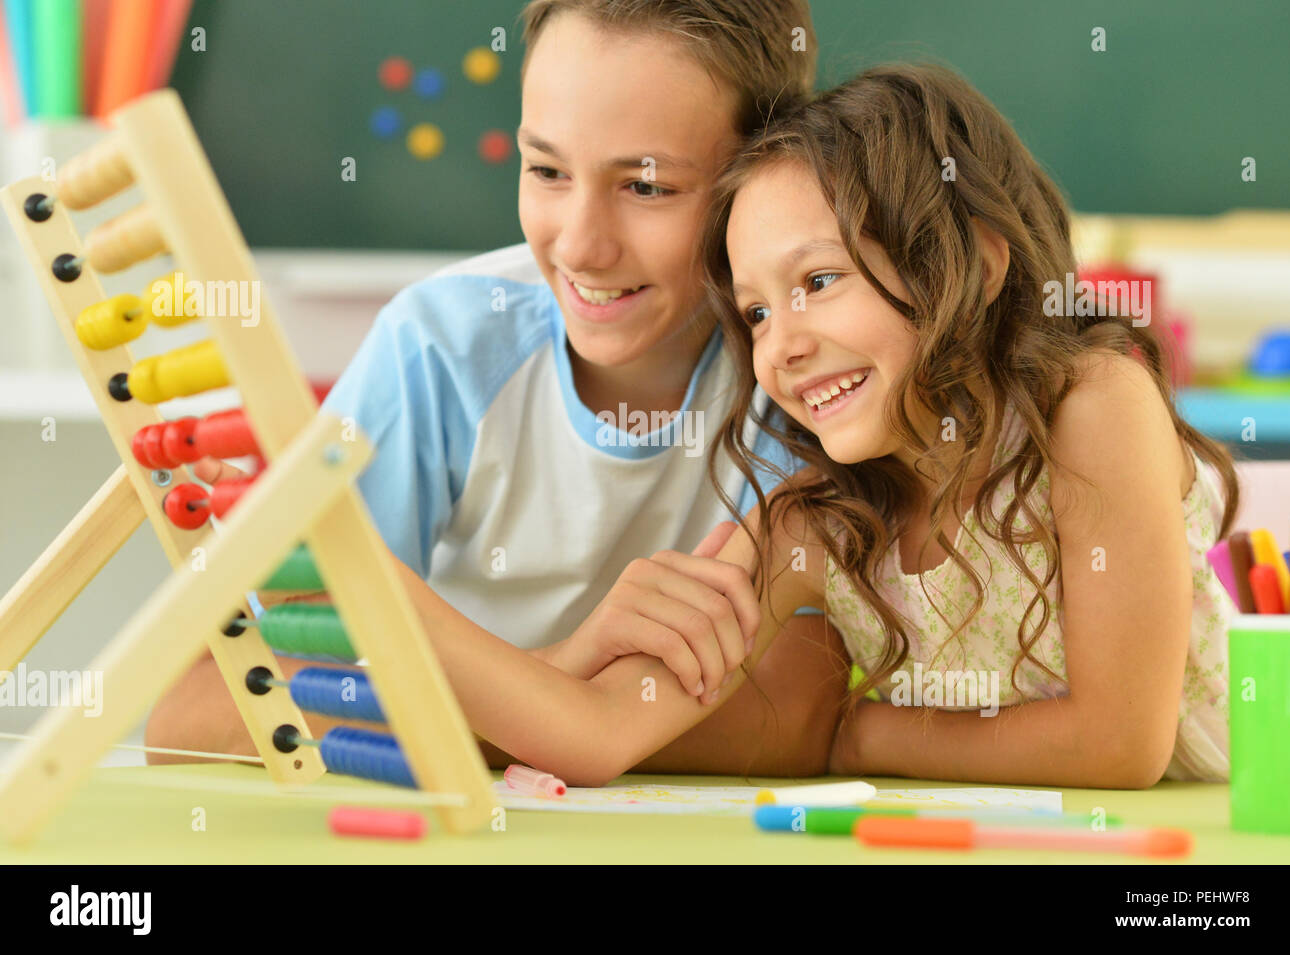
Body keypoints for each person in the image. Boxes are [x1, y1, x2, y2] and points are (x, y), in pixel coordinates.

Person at [147, 0, 849, 781]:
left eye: (648, 188)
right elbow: (202, 711)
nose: (581, 243)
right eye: (546, 170)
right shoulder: (440, 350)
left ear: (758, 179)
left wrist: (517, 705)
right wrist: (561, 676)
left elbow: (792, 724)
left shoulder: (806, 372)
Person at [699, 62, 1239, 787]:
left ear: (977, 265)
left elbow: (1119, 744)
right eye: (756, 313)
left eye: (820, 281)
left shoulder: (1096, 407)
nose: (780, 347)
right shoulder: (816, 521)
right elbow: (620, 714)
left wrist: (859, 737)